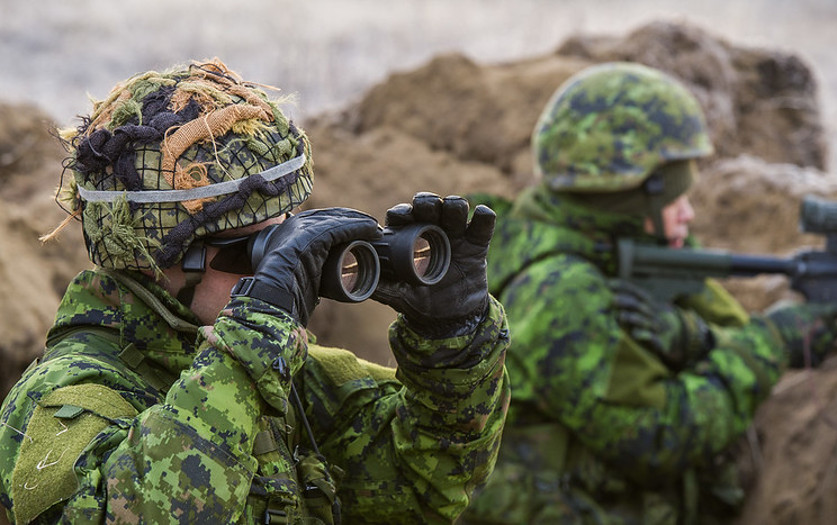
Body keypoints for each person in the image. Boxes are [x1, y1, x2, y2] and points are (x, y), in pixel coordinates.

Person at [0, 59, 510, 524]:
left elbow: (419, 483)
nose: (277, 273)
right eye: (253, 251)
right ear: (154, 262)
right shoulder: (66, 396)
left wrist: (453, 342)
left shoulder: (289, 378)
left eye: (286, 237)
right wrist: (256, 334)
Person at [459, 62, 837, 524]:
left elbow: (725, 325)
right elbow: (657, 440)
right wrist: (767, 346)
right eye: (674, 198)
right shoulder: (559, 294)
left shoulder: (619, 245)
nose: (689, 213)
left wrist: (693, 337)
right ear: (631, 199)